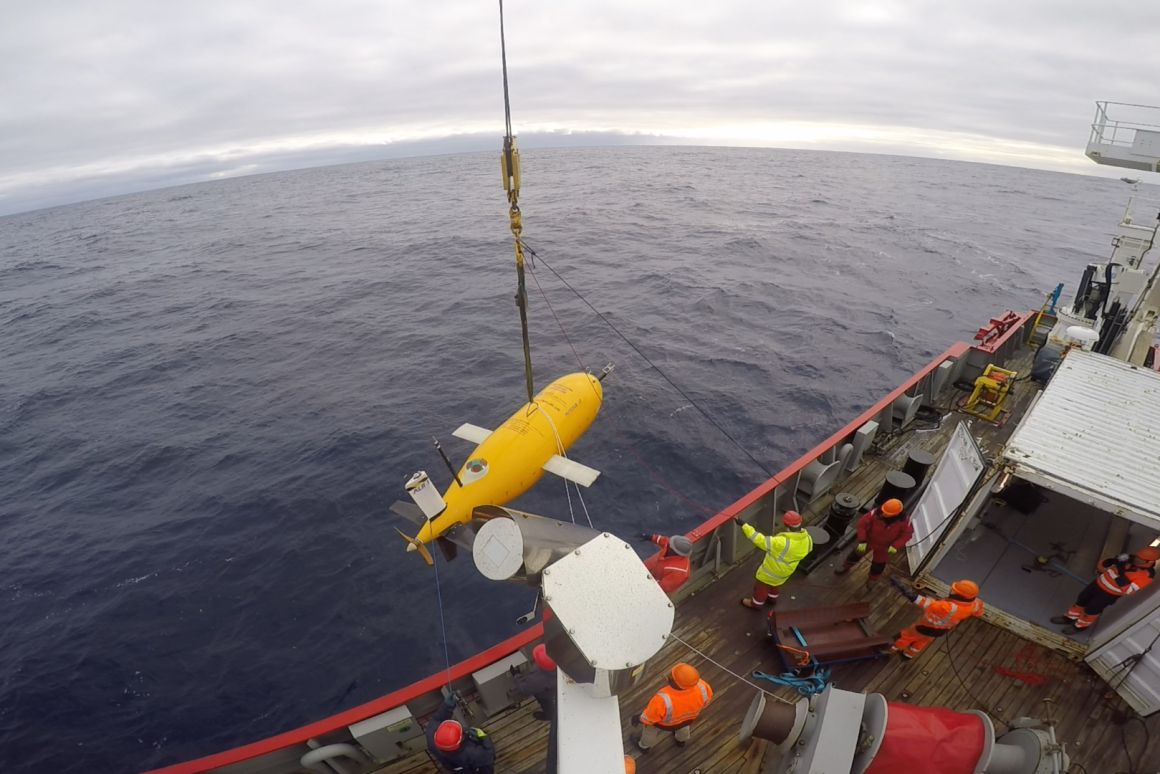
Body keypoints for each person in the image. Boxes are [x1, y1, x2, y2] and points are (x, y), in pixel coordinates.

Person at [1050, 547, 1159, 634]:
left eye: (1140, 559)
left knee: (1091, 610)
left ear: (1149, 561)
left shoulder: (1147, 575)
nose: (1136, 559)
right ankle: (1068, 618)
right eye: (1137, 556)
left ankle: (1079, 626)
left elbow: (1129, 590)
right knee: (1080, 601)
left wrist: (1120, 574)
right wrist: (1110, 561)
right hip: (1096, 584)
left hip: (1108, 595)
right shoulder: (1126, 559)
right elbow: (1101, 567)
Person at [887, 578, 983, 660]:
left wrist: (901, 586)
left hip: (925, 627)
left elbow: (918, 600)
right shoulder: (976, 603)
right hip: (942, 630)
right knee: (922, 641)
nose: (951, 589)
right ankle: (908, 655)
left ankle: (888, 649)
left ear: (960, 596)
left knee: (904, 637)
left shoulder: (945, 607)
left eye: (954, 590)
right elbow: (977, 613)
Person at [736, 511, 813, 608]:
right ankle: (772, 598)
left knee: (761, 588)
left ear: (786, 525)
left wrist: (743, 525)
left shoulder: (781, 542)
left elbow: (759, 540)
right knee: (776, 585)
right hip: (786, 571)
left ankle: (756, 604)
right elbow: (808, 550)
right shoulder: (808, 539)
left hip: (770, 572)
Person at [630, 663, 713, 752]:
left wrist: (636, 719)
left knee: (650, 731)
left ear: (674, 683)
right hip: (687, 720)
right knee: (683, 728)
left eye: (671, 676)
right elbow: (705, 703)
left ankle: (644, 746)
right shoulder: (703, 687)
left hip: (664, 724)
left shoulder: (662, 700)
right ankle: (681, 741)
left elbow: (648, 719)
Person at [834, 498, 912, 585]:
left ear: (896, 514)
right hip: (868, 540)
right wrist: (862, 540)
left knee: (878, 564)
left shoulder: (905, 522)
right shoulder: (875, 513)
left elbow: (907, 534)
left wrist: (895, 545)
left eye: (887, 513)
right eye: (884, 511)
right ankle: (846, 566)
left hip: (884, 546)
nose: (883, 514)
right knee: (855, 554)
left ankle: (873, 578)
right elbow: (862, 524)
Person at [426, 693, 495, 774]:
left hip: (452, 765)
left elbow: (436, 719)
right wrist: (484, 738)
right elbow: (489, 758)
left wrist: (446, 706)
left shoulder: (430, 736)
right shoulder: (472, 753)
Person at [511, 644, 557, 721]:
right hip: (555, 688)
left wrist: (516, 675)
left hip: (544, 695)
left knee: (546, 704)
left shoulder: (537, 679)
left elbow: (525, 688)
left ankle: (549, 715)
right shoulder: (563, 663)